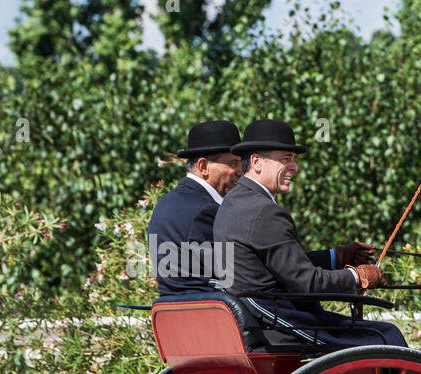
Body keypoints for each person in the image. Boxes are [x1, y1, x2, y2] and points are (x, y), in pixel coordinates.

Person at [213, 118, 402, 350]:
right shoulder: (265, 211)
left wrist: (338, 256)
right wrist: (358, 276)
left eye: (293, 160)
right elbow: (307, 283)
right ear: (257, 162)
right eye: (286, 159)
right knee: (387, 335)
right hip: (284, 326)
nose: (295, 167)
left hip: (259, 322)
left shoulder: (232, 202)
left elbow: (275, 265)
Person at [147, 121, 244, 295]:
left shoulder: (165, 203)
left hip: (173, 312)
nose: (241, 171)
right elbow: (236, 272)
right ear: (203, 166)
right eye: (232, 163)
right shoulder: (205, 210)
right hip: (209, 312)